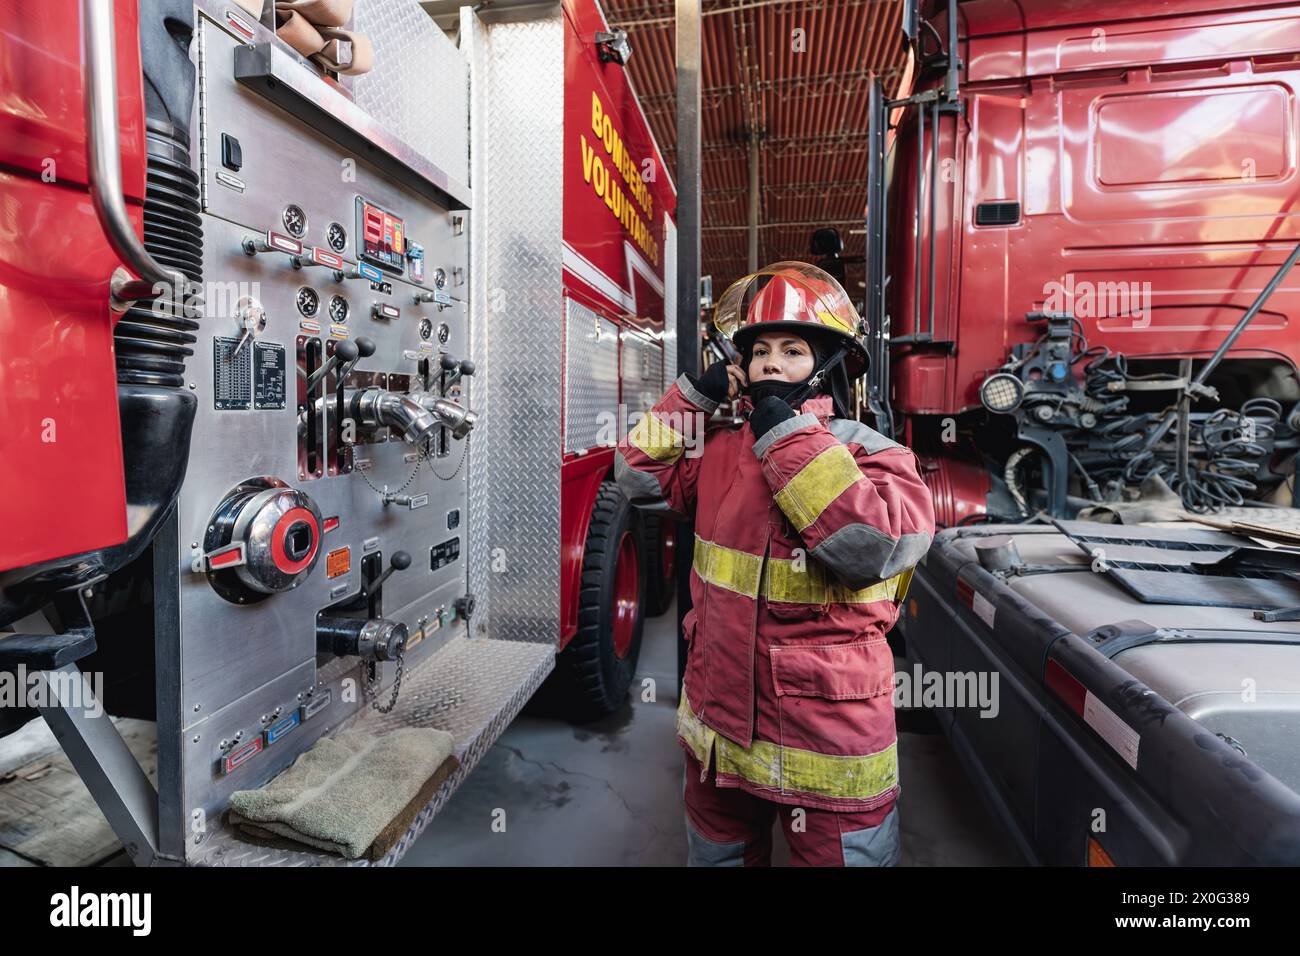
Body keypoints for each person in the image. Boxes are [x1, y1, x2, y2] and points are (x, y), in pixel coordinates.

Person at [615, 262, 936, 866]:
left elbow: (874, 547)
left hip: (828, 753)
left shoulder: (872, 454)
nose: (770, 362)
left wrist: (783, 433)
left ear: (831, 365)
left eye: (792, 350)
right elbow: (634, 475)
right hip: (719, 741)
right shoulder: (716, 451)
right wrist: (693, 396)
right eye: (759, 350)